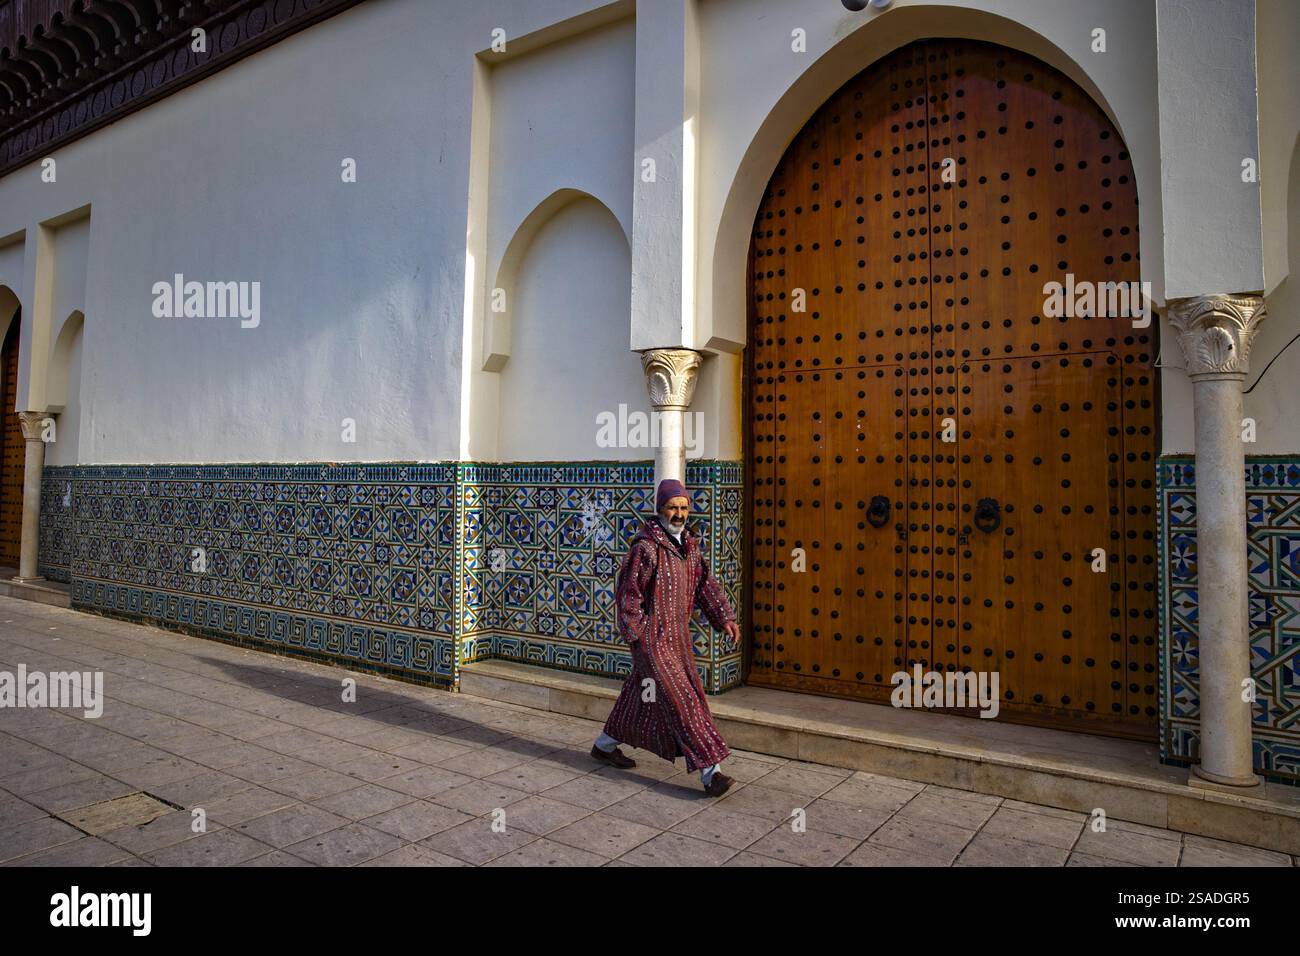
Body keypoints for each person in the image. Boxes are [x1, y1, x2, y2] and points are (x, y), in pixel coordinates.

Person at [590, 478, 742, 796]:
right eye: (673, 507)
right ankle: (711, 773)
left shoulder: (690, 546)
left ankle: (605, 746)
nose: (679, 513)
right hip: (652, 640)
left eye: (684, 507)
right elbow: (629, 596)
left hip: (679, 641)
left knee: (639, 694)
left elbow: (704, 586)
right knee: (684, 701)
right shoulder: (645, 547)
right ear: (661, 508)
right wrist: (639, 637)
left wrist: (724, 618)